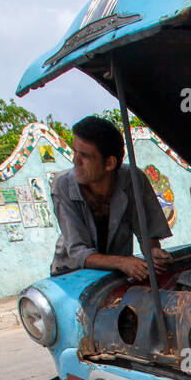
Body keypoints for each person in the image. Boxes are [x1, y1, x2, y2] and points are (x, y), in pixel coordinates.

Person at [50, 115, 172, 279]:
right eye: (75, 152)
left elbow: (148, 235)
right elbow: (78, 251)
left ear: (109, 163)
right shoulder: (62, 185)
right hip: (72, 275)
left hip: (114, 276)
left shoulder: (133, 181)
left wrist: (154, 254)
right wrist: (123, 262)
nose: (75, 161)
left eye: (84, 156)